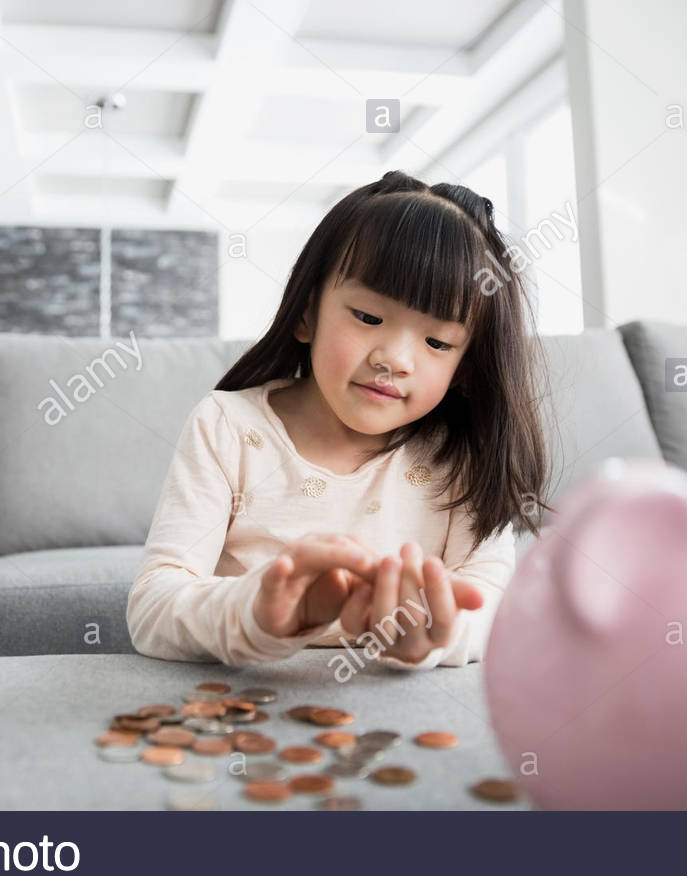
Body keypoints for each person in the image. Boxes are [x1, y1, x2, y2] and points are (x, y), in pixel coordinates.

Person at [127, 170, 553, 671]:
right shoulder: (227, 426)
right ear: (307, 313)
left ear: (465, 367)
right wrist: (254, 610)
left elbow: (492, 609)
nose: (395, 358)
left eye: (437, 343)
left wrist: (435, 635)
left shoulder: (464, 455)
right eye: (369, 318)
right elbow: (153, 607)